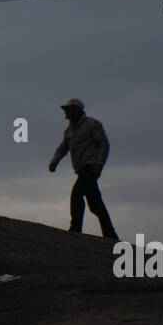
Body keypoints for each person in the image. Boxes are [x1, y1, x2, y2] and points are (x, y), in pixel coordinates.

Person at [48, 97, 119, 240]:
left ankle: (75, 228)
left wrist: (99, 164)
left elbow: (103, 144)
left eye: (68, 110)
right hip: (81, 169)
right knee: (95, 204)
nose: (65, 113)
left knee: (76, 195)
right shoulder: (69, 130)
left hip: (90, 167)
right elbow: (63, 147)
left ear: (76, 110)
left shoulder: (92, 124)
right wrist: (54, 161)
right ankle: (110, 234)